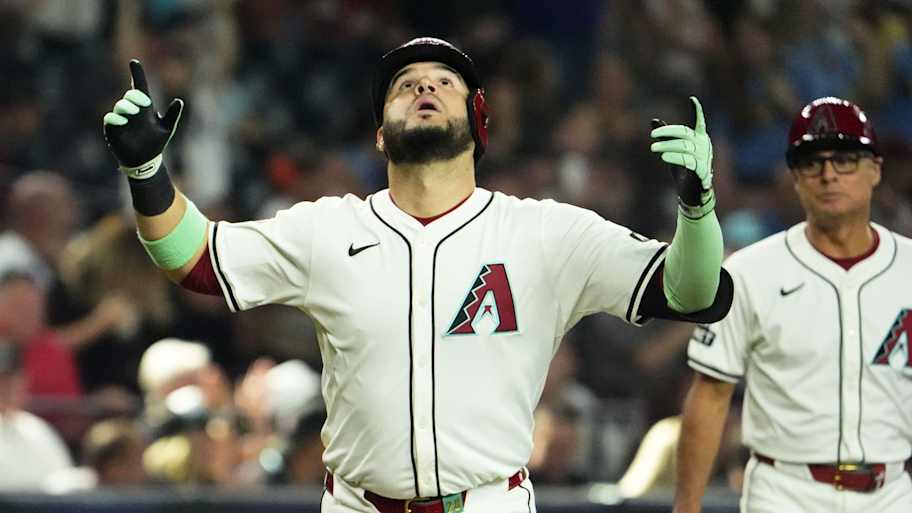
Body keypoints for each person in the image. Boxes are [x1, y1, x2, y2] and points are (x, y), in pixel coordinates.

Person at [103, 37, 732, 513]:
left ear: (478, 122)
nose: (423, 88)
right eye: (405, 84)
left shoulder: (546, 232)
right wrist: (147, 174)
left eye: (443, 82)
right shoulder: (328, 228)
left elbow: (692, 290)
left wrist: (698, 210)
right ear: (380, 134)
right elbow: (196, 261)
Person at [674, 97, 912, 513]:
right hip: (786, 491)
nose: (828, 175)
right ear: (794, 177)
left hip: (892, 491)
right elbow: (710, 394)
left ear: (875, 169)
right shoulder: (749, 271)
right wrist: (686, 507)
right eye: (811, 162)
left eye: (844, 160)